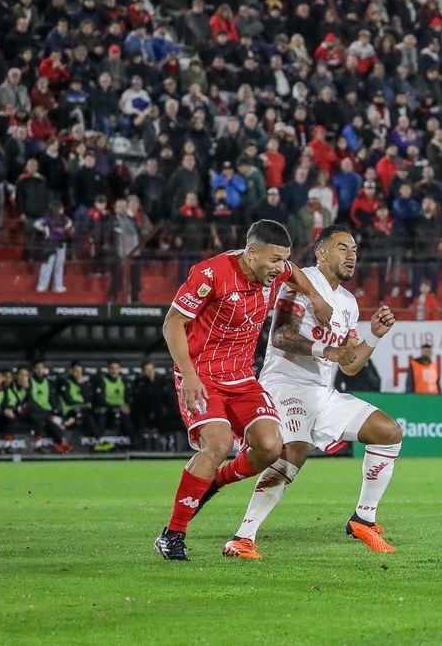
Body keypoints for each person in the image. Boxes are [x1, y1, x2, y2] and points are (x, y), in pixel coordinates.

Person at [154, 220, 334, 561]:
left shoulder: (277, 271)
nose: (279, 268)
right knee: (219, 443)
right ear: (251, 253)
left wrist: (315, 297)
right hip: (202, 375)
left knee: (270, 446)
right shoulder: (211, 275)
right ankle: (173, 534)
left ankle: (214, 481)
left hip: (241, 376)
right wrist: (189, 376)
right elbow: (173, 322)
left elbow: (294, 271)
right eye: (273, 260)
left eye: (283, 259)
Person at [226, 225, 401, 559]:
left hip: (321, 391)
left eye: (354, 250)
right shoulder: (300, 283)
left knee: (388, 432)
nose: (351, 256)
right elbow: (280, 336)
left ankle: (363, 519)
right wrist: (327, 351)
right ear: (321, 253)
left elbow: (350, 365)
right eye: (342, 248)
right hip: (285, 385)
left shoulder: (348, 302)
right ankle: (243, 537)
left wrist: (374, 336)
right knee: (294, 450)